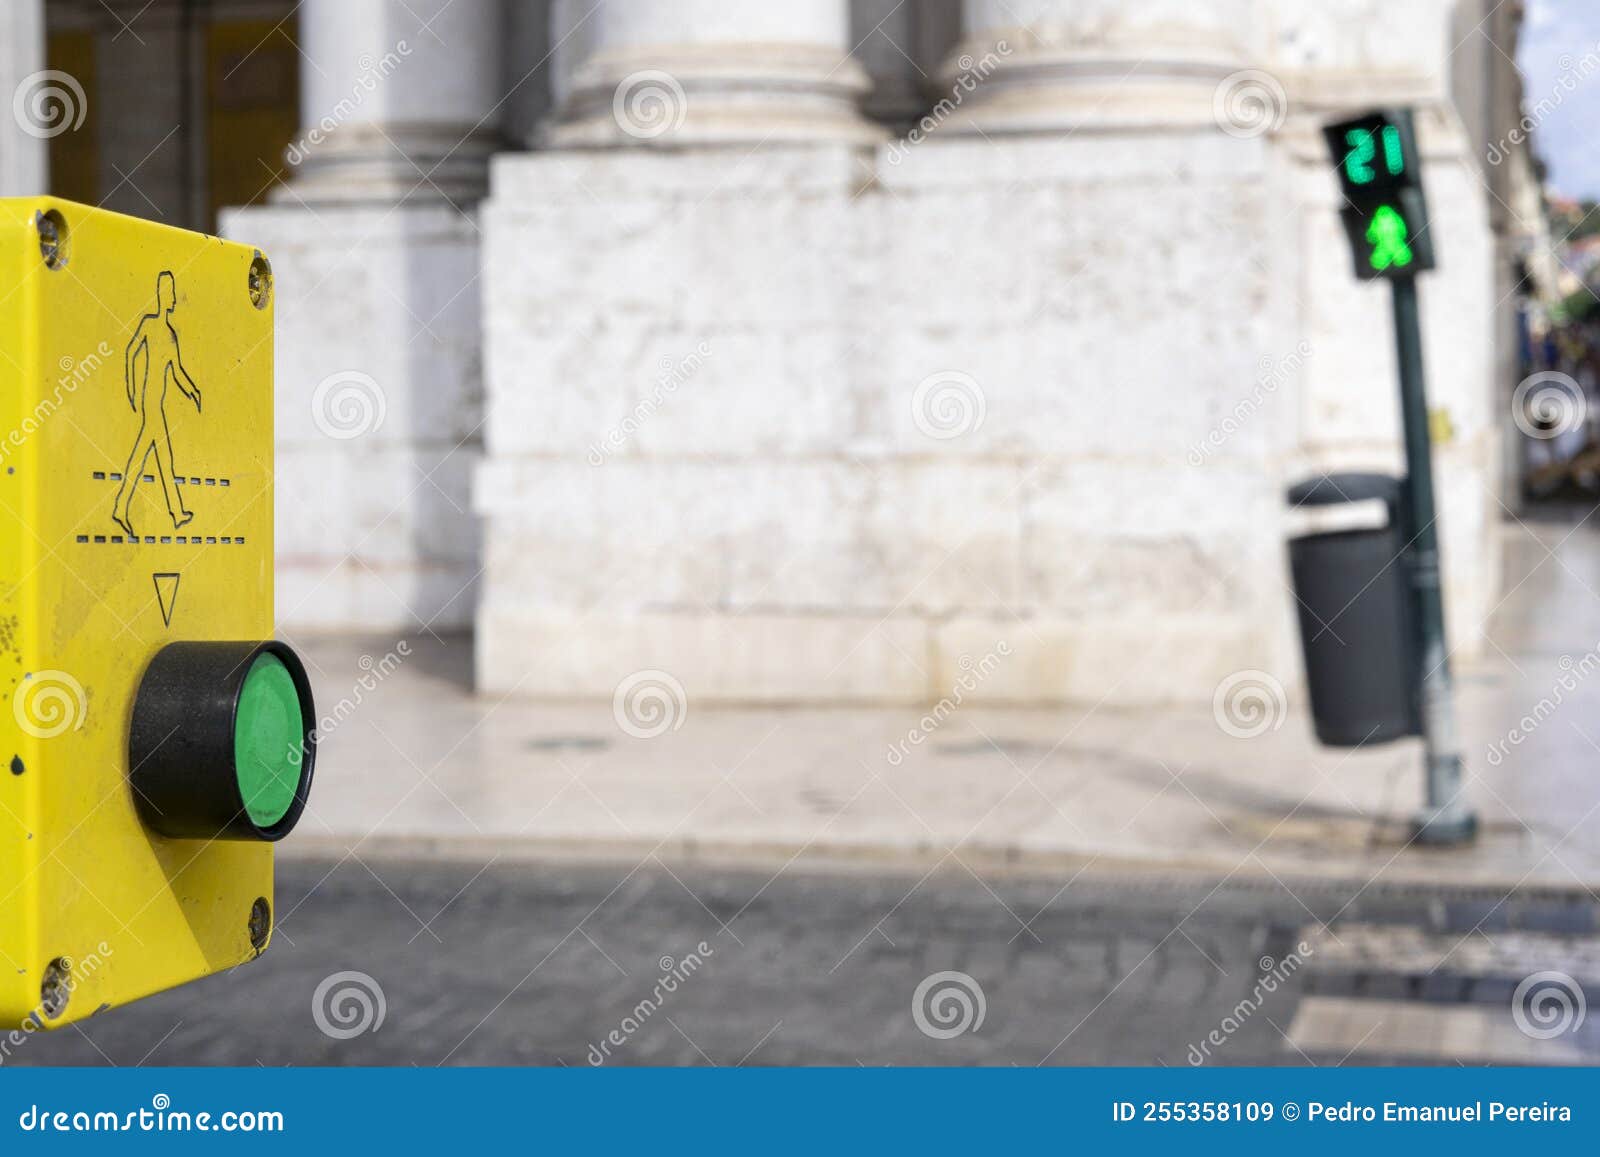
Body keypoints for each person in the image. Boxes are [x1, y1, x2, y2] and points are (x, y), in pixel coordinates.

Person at [112, 270, 202, 536]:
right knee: (157, 457)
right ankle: (172, 511)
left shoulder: (170, 333)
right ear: (163, 295)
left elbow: (176, 371)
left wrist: (193, 391)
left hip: (157, 404)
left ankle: (131, 508)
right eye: (170, 292)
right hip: (150, 402)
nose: (174, 298)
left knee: (153, 457)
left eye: (174, 292)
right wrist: (131, 389)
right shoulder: (150, 324)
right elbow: (130, 351)